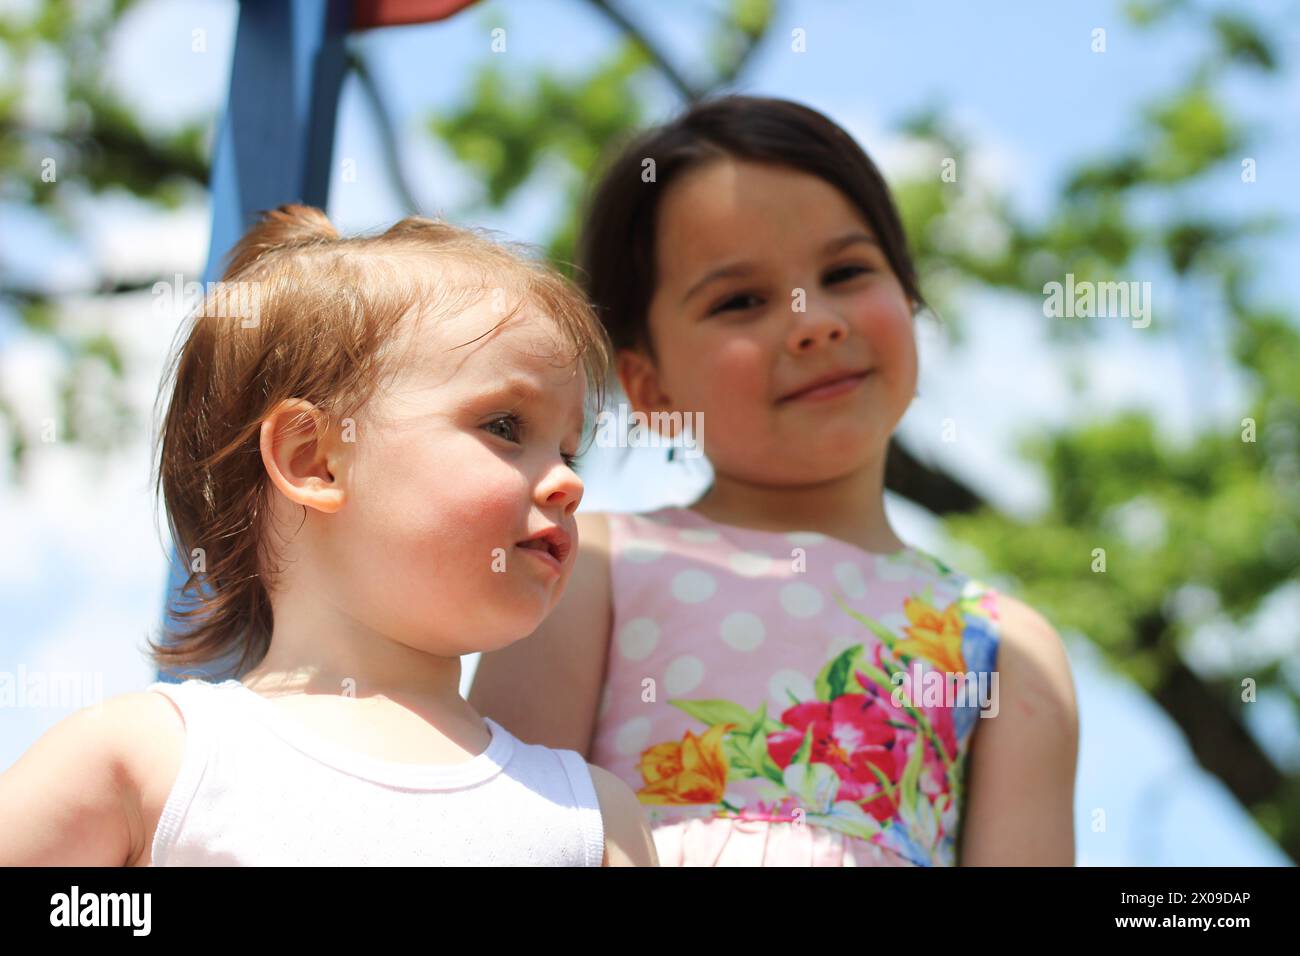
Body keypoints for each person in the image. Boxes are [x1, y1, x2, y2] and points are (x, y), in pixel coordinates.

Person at [470, 95, 1079, 866]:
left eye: (848, 270)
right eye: (742, 300)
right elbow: (502, 842)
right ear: (651, 389)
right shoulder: (591, 567)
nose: (813, 321)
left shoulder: (1007, 646)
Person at [0, 204, 658, 866]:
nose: (569, 485)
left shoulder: (592, 819)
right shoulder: (148, 762)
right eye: (506, 427)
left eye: (569, 453)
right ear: (314, 459)